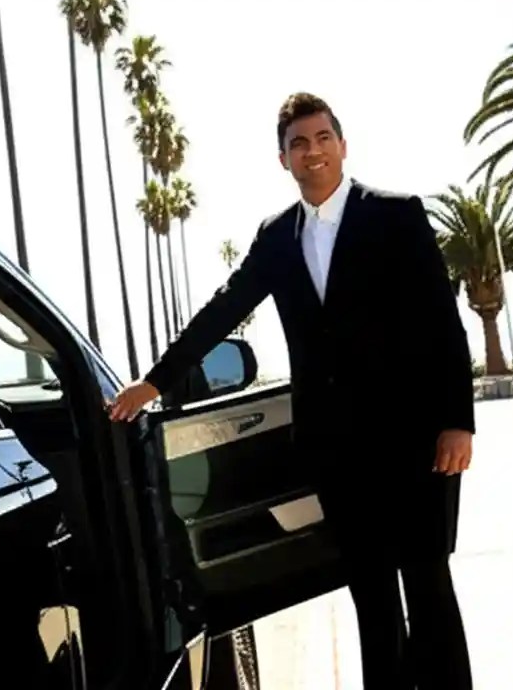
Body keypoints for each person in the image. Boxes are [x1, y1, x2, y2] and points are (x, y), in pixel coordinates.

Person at [108, 92, 475, 689]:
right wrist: (156, 380)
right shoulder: (277, 236)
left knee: (430, 590)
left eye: (323, 138)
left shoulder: (396, 214)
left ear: (342, 145)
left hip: (416, 444)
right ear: (284, 160)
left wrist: (458, 420)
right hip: (339, 454)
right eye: (299, 144)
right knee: (372, 599)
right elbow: (225, 309)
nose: (314, 152)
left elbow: (442, 322)